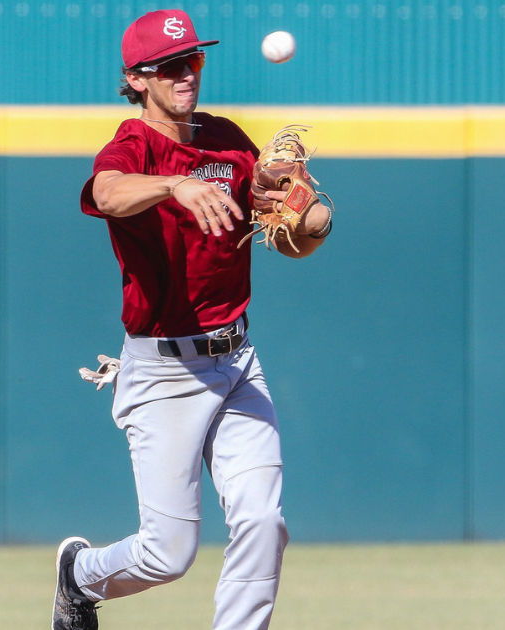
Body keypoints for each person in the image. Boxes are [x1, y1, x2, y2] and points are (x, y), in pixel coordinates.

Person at [53, 9, 332, 630]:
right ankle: (79, 576)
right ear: (138, 79)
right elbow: (107, 192)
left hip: (236, 363)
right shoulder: (133, 146)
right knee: (167, 554)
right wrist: (172, 185)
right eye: (171, 66)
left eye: (194, 61)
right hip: (162, 371)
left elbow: (283, 237)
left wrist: (309, 220)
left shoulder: (228, 138)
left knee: (264, 522)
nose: (186, 74)